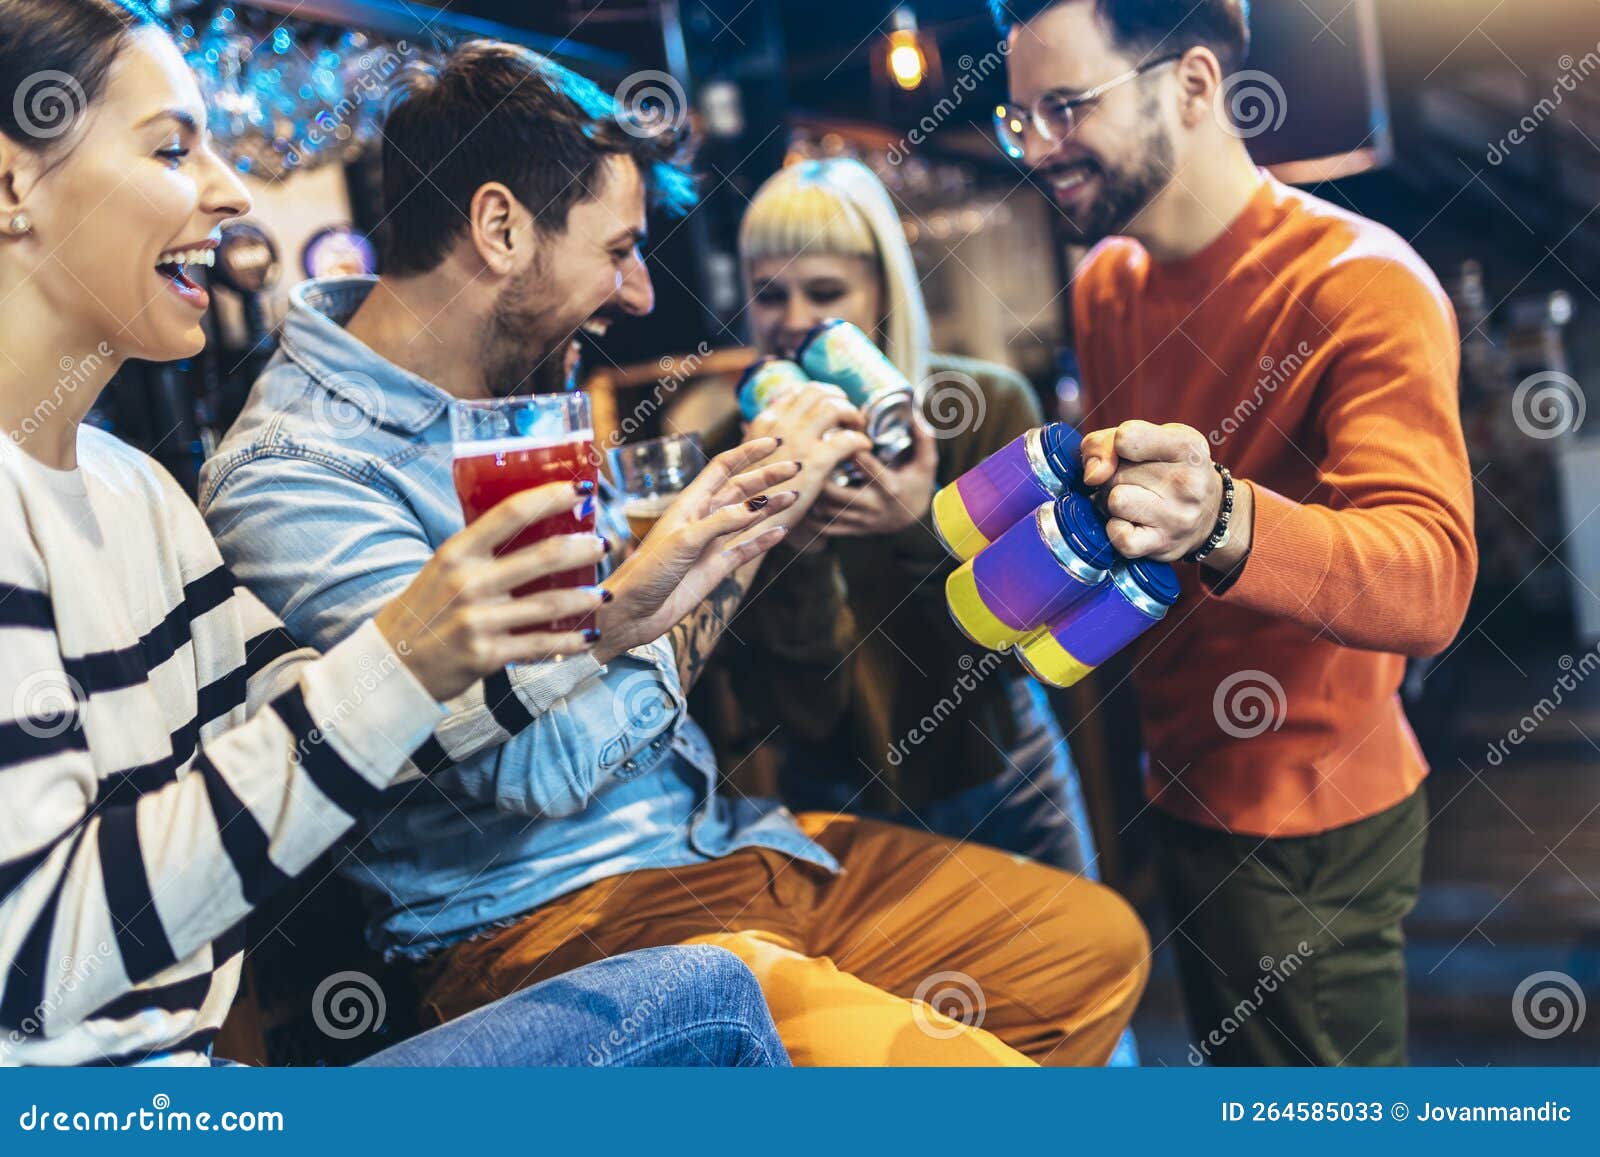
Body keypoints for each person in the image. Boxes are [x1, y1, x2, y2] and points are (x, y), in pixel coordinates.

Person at [202, 38, 1150, 1067]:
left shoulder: (515, 395)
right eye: (617, 250)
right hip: (556, 927)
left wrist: (730, 534)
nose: (642, 293)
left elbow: (604, 627)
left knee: (1091, 950)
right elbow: (547, 761)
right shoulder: (296, 468)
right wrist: (748, 520)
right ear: (500, 227)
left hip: (721, 839)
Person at [0, 0, 792, 1069]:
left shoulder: (134, 490)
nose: (233, 195)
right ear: (13, 184)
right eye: (173, 148)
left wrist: (613, 618)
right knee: (706, 1004)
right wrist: (399, 655)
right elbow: (35, 966)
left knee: (713, 993)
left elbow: (373, 732)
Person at [995, 0, 1476, 1064]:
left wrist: (1219, 515)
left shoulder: (1362, 284)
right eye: (1018, 117)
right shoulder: (1105, 281)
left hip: (1311, 815)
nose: (1037, 147)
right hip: (1178, 785)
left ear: (1197, 85)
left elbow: (1432, 580)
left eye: (1065, 107)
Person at [699, 157, 1101, 875]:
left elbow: (1022, 644)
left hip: (998, 776)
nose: (792, 323)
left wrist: (921, 525)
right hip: (840, 803)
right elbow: (795, 705)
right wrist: (799, 547)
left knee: (1086, 970)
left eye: (824, 292)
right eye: (768, 295)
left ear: (883, 289)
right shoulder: (729, 450)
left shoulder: (985, 411)